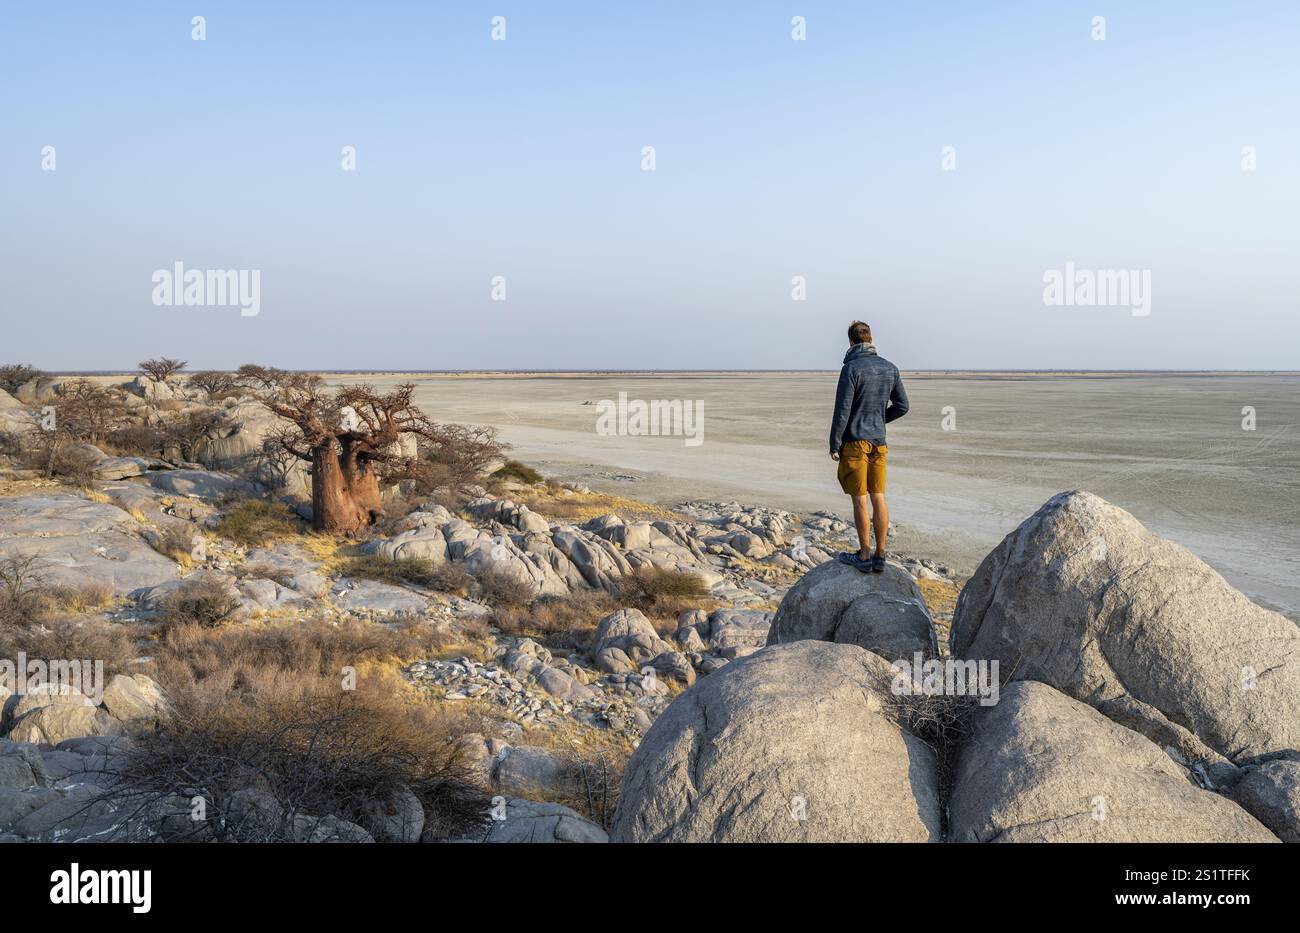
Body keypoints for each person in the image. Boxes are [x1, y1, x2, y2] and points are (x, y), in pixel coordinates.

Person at [829, 321, 909, 572]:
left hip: (855, 442)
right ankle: (881, 554)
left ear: (851, 342)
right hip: (879, 442)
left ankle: (864, 555)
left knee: (860, 500)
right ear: (871, 339)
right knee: (879, 497)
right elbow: (902, 406)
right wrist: (878, 419)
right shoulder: (890, 368)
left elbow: (842, 410)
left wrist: (834, 443)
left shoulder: (851, 369)